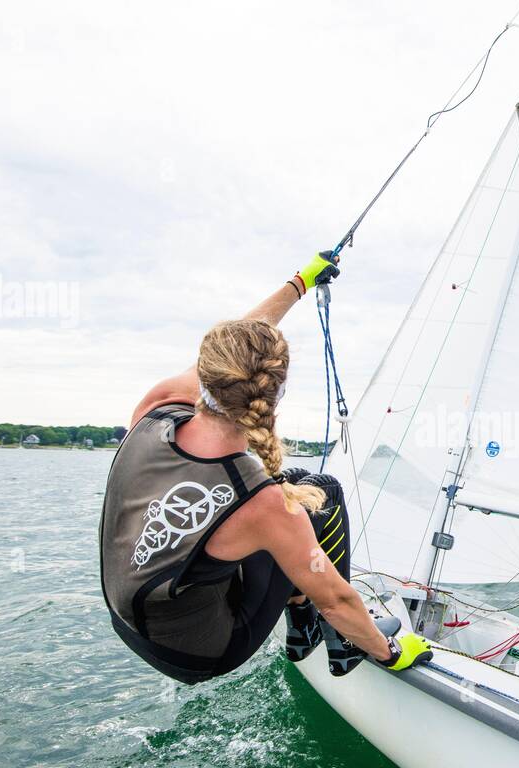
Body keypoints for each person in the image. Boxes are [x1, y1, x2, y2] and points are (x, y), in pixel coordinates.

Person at [98, 251, 432, 685]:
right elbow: (336, 600)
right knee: (322, 493)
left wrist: (299, 283)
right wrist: (391, 653)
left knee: (295, 489)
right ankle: (339, 642)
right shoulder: (263, 503)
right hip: (198, 653)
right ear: (279, 392)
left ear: (208, 373)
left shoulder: (157, 408)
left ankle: (300, 623)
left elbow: (237, 346)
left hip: (128, 622)